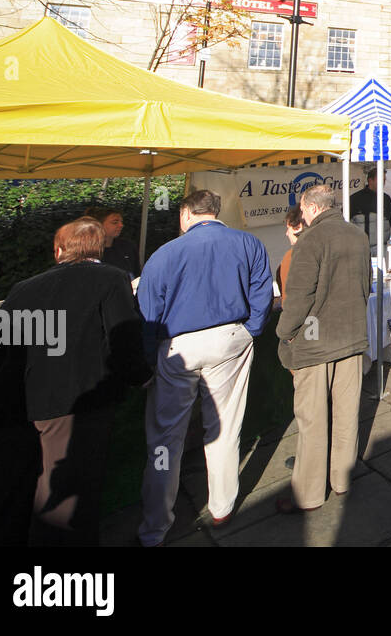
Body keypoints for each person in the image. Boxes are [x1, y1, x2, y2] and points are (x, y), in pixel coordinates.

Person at [0, 217, 151, 546]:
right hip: (75, 405)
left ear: (59, 251)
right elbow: (124, 341)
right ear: (99, 249)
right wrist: (141, 377)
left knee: (13, 496)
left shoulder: (23, 287)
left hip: (17, 405)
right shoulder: (112, 278)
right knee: (66, 500)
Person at [136, 190, 272, 546]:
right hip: (229, 339)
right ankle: (222, 506)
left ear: (185, 214)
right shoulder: (248, 243)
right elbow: (262, 293)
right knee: (225, 427)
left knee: (165, 438)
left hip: (178, 348)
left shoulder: (164, 254)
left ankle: (155, 525)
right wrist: (250, 331)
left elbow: (147, 315)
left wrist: (149, 361)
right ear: (215, 211)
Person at [276, 183, 372, 513]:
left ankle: (309, 495)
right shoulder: (358, 235)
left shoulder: (311, 239)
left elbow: (298, 298)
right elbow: (366, 286)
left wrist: (284, 333)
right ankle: (342, 481)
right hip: (351, 337)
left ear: (314, 208)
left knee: (313, 420)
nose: (302, 214)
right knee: (347, 413)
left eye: (303, 209)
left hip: (315, 346)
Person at [349, 167, 391, 256]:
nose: (383, 183)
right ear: (370, 181)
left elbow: (390, 219)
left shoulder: (386, 199)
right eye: (381, 180)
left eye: (384, 180)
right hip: (361, 247)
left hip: (381, 246)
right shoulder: (355, 199)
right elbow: (347, 221)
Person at [85, 206, 140, 280]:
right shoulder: (87, 250)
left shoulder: (127, 247)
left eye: (121, 222)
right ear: (98, 225)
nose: (121, 225)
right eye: (115, 222)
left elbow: (137, 274)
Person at [276, 205, 305, 310]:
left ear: (298, 227)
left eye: (288, 228)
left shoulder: (291, 257)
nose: (287, 234)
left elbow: (288, 300)